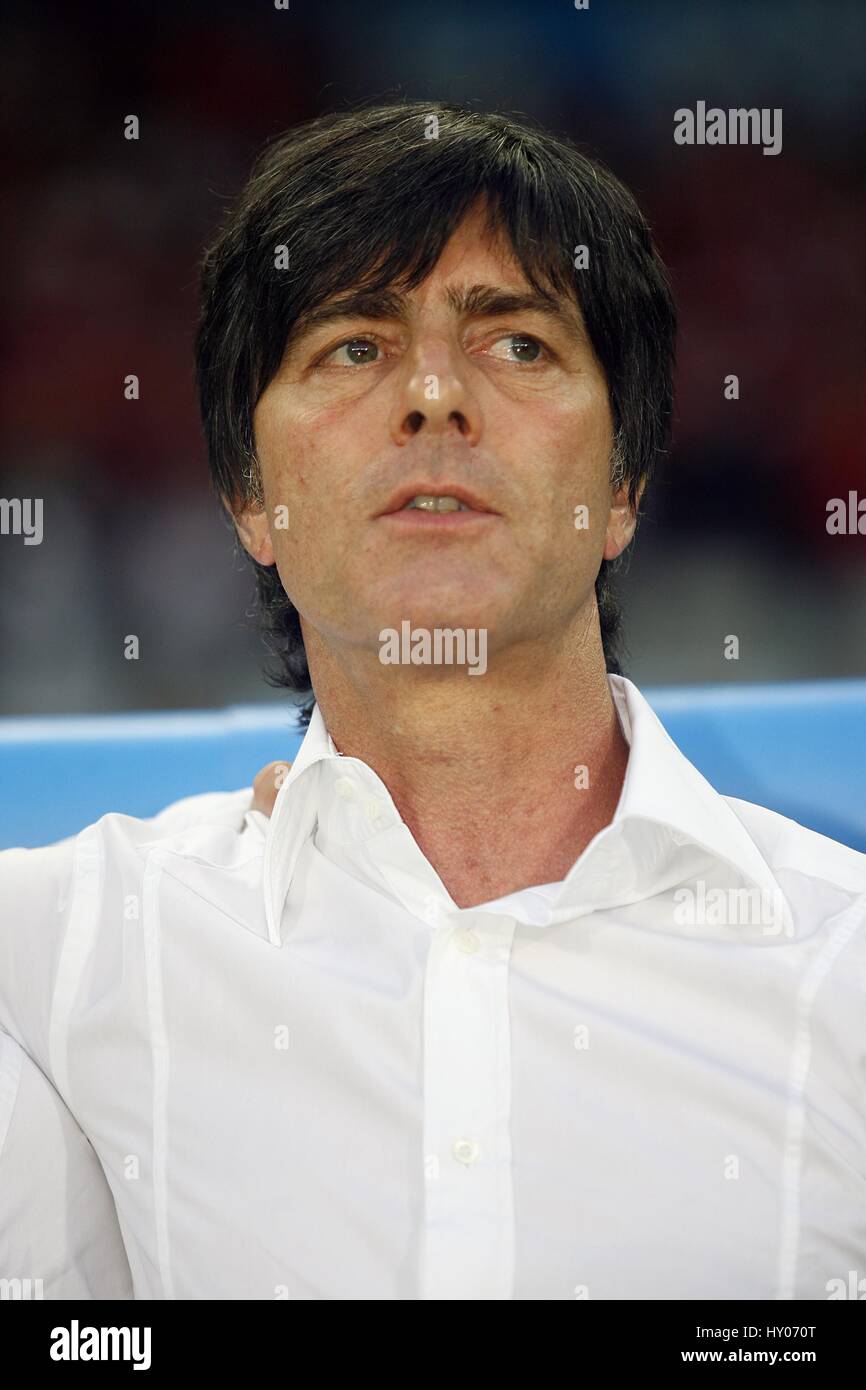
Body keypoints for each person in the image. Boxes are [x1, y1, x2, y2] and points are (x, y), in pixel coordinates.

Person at [1, 101, 864, 1301]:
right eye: (352, 346)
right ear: (249, 498)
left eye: (516, 344)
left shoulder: (847, 967)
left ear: (621, 485)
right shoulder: (49, 958)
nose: (432, 399)